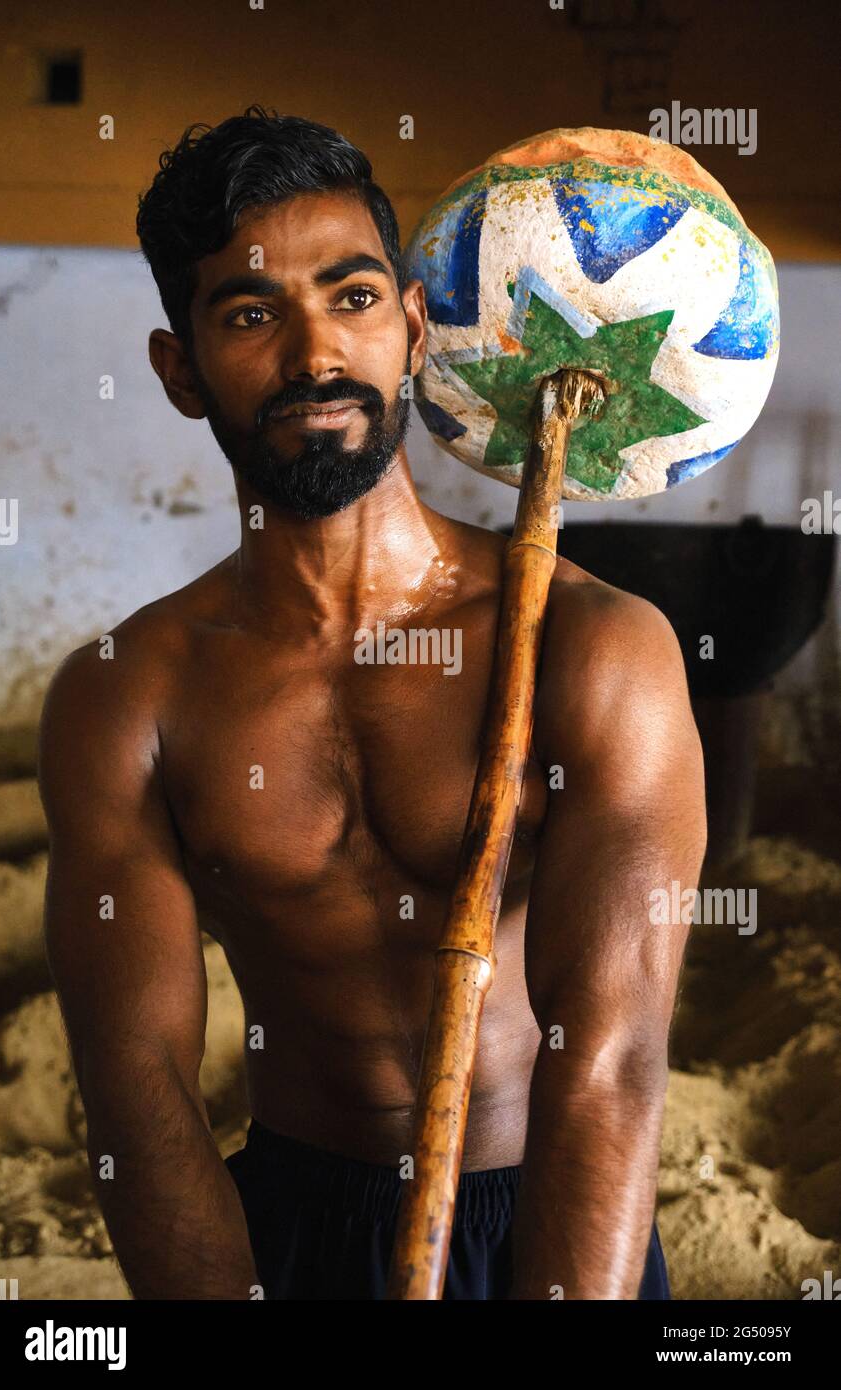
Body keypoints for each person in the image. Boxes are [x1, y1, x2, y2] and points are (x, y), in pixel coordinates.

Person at [37, 106, 706, 1300]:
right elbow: (136, 1089)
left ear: (408, 328)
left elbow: (607, 1061)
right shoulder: (125, 694)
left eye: (351, 299)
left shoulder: (594, 649)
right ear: (179, 369)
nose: (314, 356)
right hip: (290, 1230)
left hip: (552, 1212)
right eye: (250, 315)